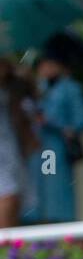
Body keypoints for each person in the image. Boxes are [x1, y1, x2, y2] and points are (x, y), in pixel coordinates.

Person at [26, 33, 83, 224]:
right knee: (37, 188)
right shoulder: (39, 87)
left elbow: (81, 120)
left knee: (53, 186)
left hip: (53, 148)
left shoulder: (70, 88)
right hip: (37, 146)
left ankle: (55, 223)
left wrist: (53, 122)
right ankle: (38, 221)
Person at [0, 58, 37, 228]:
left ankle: (10, 249)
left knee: (16, 198)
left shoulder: (13, 89)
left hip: (11, 149)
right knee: (8, 195)